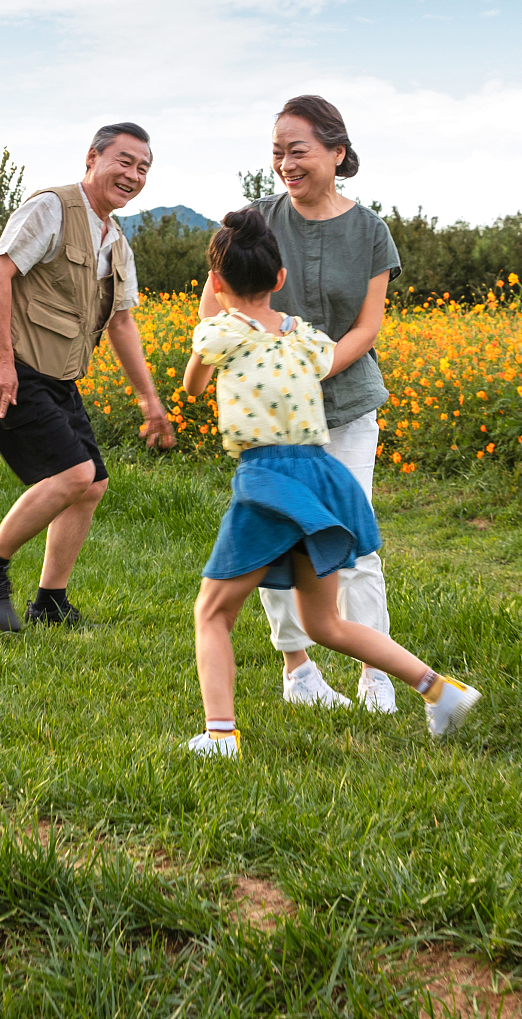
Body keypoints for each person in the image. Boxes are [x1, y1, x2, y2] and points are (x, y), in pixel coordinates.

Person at [180, 210, 477, 757]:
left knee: (213, 613)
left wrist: (214, 324)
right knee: (326, 622)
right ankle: (439, 690)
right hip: (320, 476)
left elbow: (192, 385)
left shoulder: (220, 332)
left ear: (216, 284)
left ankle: (220, 734)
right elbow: (313, 367)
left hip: (269, 478)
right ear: (280, 279)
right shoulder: (305, 338)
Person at [202, 95, 404, 712]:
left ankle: (377, 676)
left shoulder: (371, 231)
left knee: (355, 541)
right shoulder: (255, 220)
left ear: (336, 153)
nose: (285, 164)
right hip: (272, 423)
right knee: (275, 543)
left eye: (299, 151)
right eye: (276, 153)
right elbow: (216, 302)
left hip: (344, 406)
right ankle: (300, 672)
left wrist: (308, 369)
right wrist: (255, 360)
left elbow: (367, 328)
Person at [0, 123, 178, 630]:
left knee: (93, 483)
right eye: (124, 161)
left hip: (58, 377)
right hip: (13, 366)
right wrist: (3, 363)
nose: (134, 174)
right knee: (72, 475)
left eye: (143, 168)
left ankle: (50, 603)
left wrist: (149, 400)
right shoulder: (52, 207)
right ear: (92, 158)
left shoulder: (117, 242)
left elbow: (121, 322)